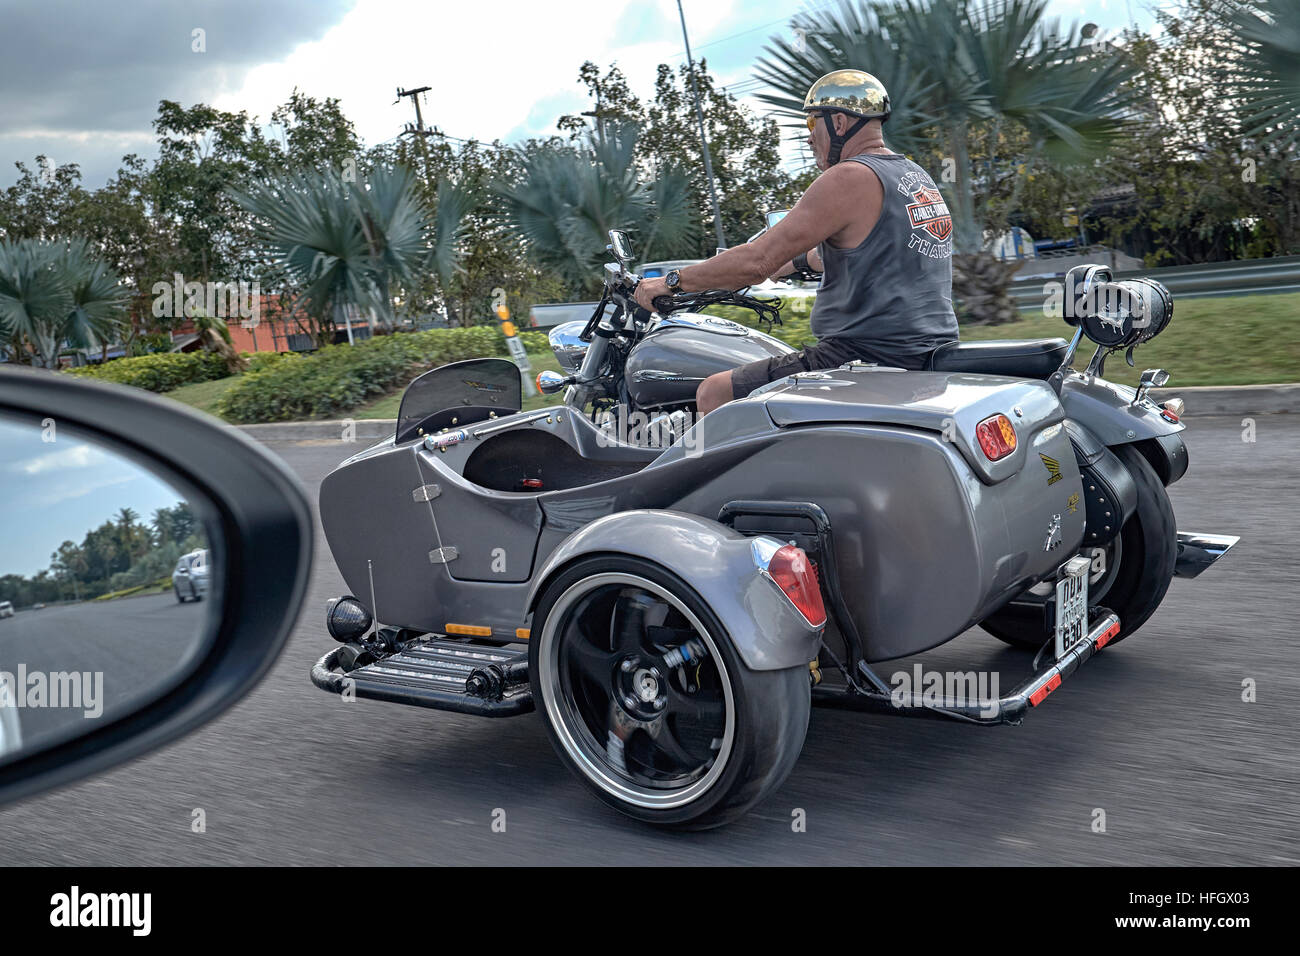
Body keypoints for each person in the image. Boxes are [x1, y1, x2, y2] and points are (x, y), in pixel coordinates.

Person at [634, 69, 959, 415]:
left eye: (810, 124)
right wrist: (798, 261)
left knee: (714, 392)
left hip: (865, 355)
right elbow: (875, 248)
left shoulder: (848, 177)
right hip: (926, 349)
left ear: (839, 121)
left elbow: (755, 262)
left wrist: (671, 281)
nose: (808, 137)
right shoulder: (911, 174)